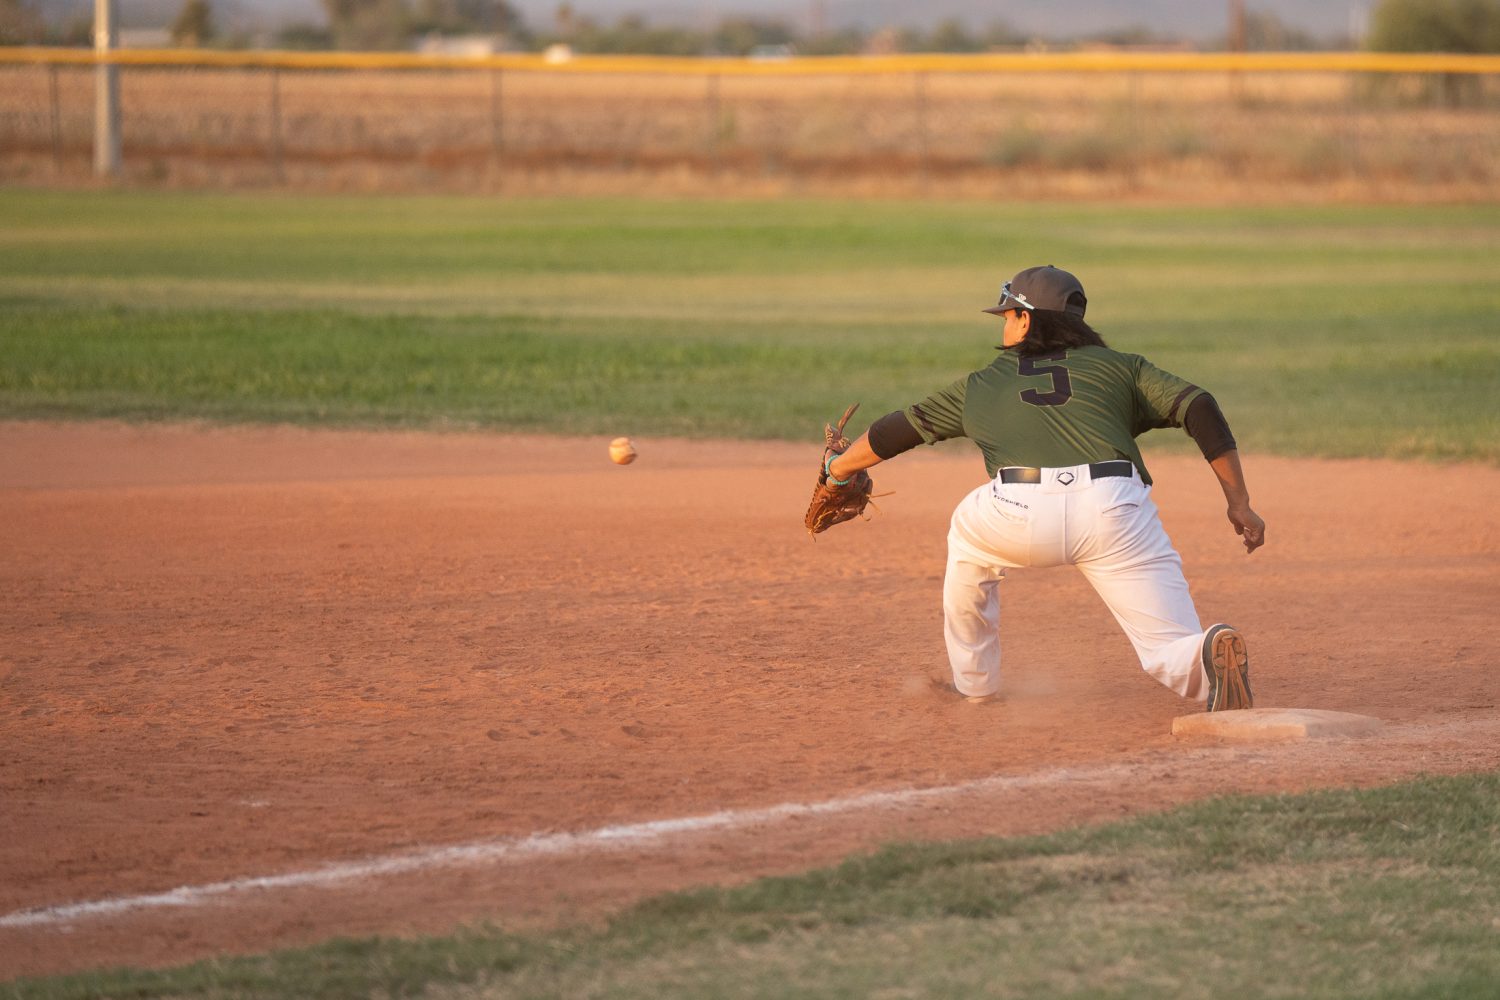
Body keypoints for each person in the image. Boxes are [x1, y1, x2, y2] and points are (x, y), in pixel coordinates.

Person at [824, 265, 1265, 711]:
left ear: (1027, 319)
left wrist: (836, 469)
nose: (1005, 323)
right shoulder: (1122, 368)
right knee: (1166, 644)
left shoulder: (981, 385)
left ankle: (975, 684)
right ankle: (1201, 658)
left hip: (1016, 513)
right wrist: (1239, 504)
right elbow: (1199, 406)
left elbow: (892, 433)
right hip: (1114, 511)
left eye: (1008, 314)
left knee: (966, 537)